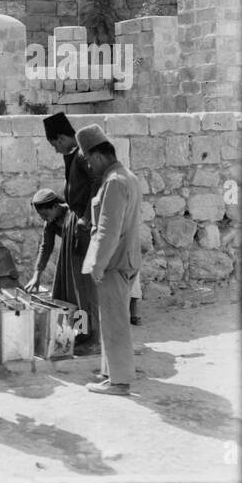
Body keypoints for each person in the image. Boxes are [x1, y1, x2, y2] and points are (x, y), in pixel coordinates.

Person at [77, 124, 142, 396]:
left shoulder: (114, 182)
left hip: (113, 263)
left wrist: (97, 265)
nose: (88, 166)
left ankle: (119, 382)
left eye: (88, 160)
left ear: (97, 155)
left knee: (115, 323)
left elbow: (107, 230)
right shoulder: (127, 176)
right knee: (112, 319)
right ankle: (111, 374)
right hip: (125, 258)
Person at [41, 112, 100, 349]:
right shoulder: (74, 156)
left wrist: (86, 217)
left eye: (55, 144)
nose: (56, 150)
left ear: (62, 137)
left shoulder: (83, 156)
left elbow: (97, 184)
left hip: (83, 226)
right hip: (75, 225)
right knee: (74, 287)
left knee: (85, 287)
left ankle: (91, 336)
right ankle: (80, 332)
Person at [25, 187, 97, 354]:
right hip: (70, 262)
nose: (44, 219)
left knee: (84, 301)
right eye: (41, 216)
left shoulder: (74, 215)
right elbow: (46, 246)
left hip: (85, 259)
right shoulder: (51, 222)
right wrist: (37, 275)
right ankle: (79, 333)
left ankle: (91, 337)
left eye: (45, 214)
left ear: (56, 206)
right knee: (71, 300)